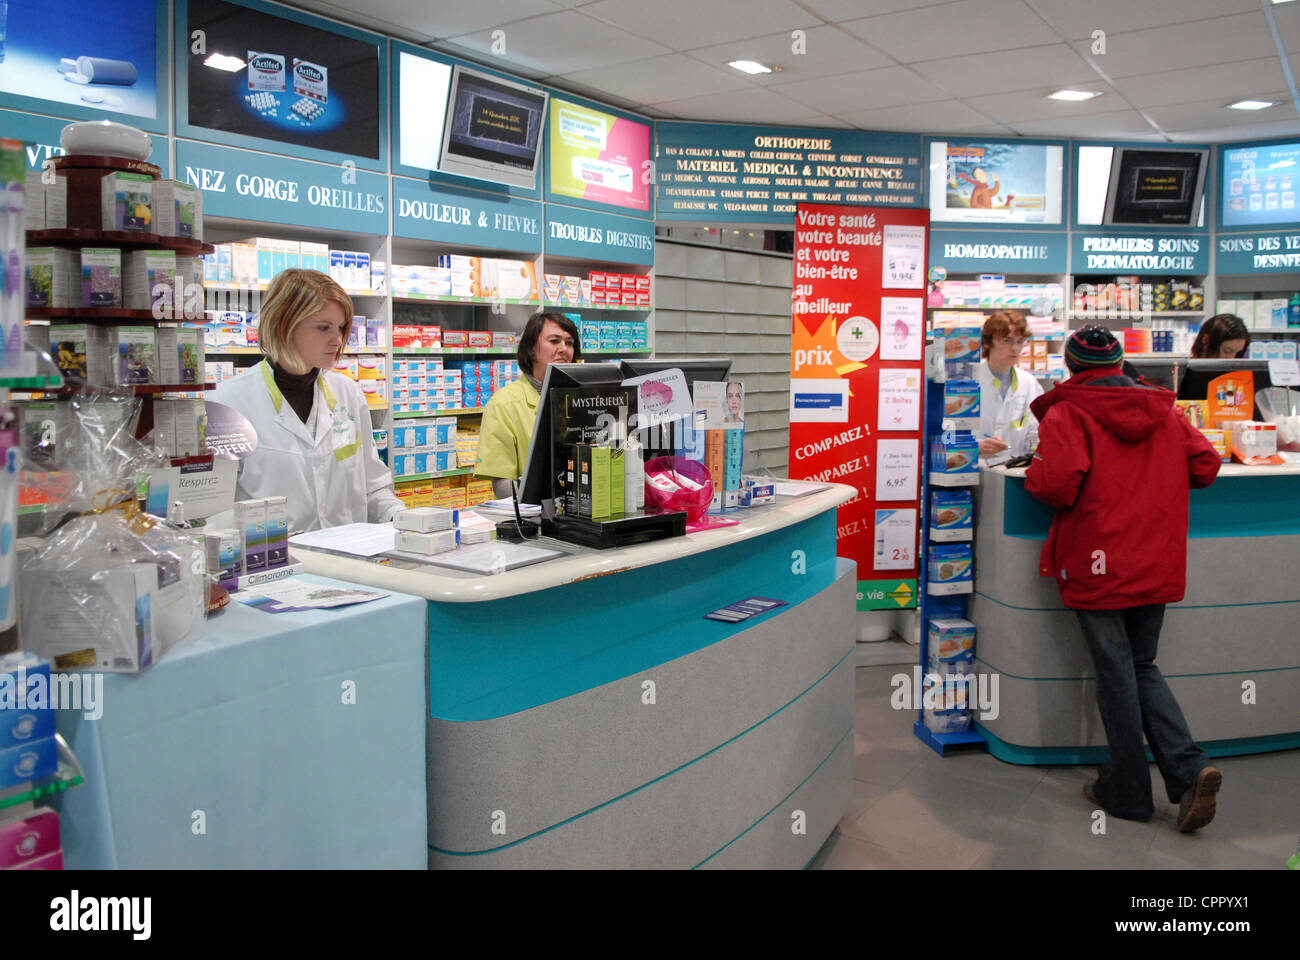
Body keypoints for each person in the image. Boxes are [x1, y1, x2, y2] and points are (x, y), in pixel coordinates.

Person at [1025, 325, 1224, 831]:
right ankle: (1188, 767)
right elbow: (1205, 465)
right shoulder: (1163, 409)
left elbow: (1054, 485)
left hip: (1097, 559)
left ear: (1070, 366)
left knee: (1117, 671)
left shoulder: (1069, 411)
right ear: (1118, 364)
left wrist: (1032, 470)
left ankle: (1130, 793)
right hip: (1154, 556)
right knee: (1140, 665)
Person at [211, 269, 401, 533]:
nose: (337, 340)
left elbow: (372, 484)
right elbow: (215, 509)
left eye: (341, 327)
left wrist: (399, 516)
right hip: (274, 566)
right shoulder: (228, 402)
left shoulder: (348, 393)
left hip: (349, 561)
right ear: (283, 324)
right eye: (323, 328)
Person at [475, 311, 580, 499]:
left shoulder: (584, 400)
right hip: (533, 518)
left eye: (570, 343)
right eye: (554, 341)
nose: (564, 349)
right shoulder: (503, 404)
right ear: (531, 348)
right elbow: (502, 485)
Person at [975, 310, 1044, 460]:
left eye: (1019, 342)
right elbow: (947, 433)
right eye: (1007, 340)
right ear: (987, 342)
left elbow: (1038, 432)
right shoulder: (969, 380)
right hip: (974, 471)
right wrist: (974, 447)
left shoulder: (1029, 384)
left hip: (1014, 472)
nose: (1015, 348)